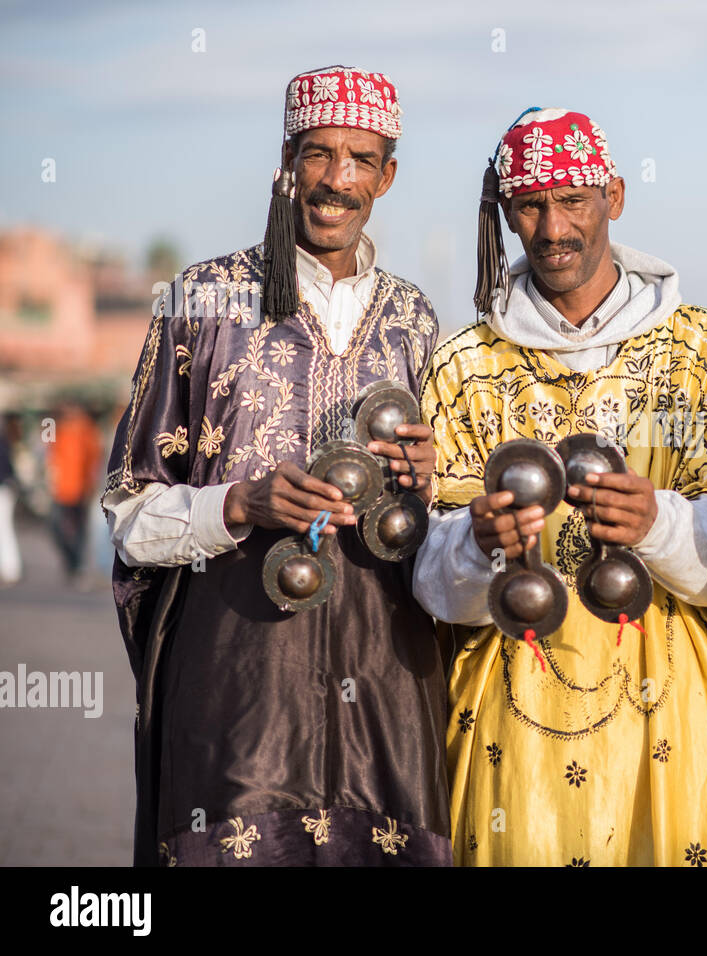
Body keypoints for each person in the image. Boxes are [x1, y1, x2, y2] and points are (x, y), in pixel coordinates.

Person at [102, 66, 450, 866]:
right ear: (285, 161)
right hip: (236, 682)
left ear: (387, 176)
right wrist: (239, 504)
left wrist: (437, 477)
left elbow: (448, 528)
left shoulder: (417, 320)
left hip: (388, 678)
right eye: (318, 155)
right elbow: (127, 513)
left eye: (359, 159)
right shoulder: (201, 299)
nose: (336, 180)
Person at [413, 108, 707, 866]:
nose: (553, 226)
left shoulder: (703, 348)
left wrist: (660, 520)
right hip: (515, 727)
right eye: (531, 205)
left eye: (573, 200)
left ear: (615, 197)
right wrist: (474, 545)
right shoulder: (464, 365)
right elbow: (435, 587)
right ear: (506, 213)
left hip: (675, 713)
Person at [47, 401, 101, 585]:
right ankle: (71, 563)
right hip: (60, 489)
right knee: (55, 526)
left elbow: (94, 459)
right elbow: (49, 452)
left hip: (80, 488)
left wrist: (91, 484)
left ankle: (77, 566)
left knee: (78, 530)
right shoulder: (58, 430)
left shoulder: (86, 430)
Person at [0, 412, 22, 586]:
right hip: (7, 487)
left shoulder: (3, 441)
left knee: (4, 529)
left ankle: (11, 569)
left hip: (4, 488)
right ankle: (9, 568)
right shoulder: (5, 440)